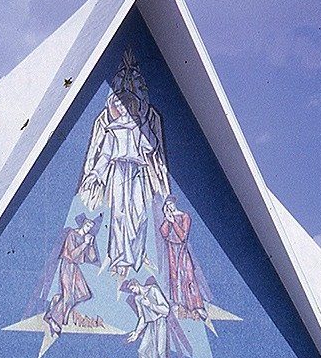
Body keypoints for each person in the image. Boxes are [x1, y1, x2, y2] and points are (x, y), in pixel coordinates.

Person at [78, 49, 169, 276]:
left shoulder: (140, 128)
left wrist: (145, 124)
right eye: (121, 107)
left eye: (128, 106)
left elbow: (150, 147)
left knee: (140, 214)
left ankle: (136, 256)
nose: (125, 110)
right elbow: (105, 156)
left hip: (137, 171)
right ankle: (120, 259)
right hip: (119, 171)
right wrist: (95, 174)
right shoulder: (113, 131)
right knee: (118, 214)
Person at [44, 215, 100, 336]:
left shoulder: (86, 238)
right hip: (67, 265)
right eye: (88, 225)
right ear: (83, 223)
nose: (89, 228)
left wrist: (90, 244)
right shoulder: (72, 234)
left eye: (91, 226)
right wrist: (84, 244)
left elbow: (92, 258)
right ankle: (53, 319)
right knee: (69, 296)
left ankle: (55, 303)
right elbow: (71, 255)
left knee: (84, 294)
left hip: (75, 267)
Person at [121, 277, 171, 358]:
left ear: (136, 284)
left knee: (160, 352)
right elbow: (142, 318)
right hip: (150, 325)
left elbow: (166, 310)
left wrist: (151, 305)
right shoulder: (138, 299)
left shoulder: (153, 290)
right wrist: (136, 333)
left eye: (132, 288)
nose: (132, 292)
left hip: (160, 322)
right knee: (142, 351)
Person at [159, 195, 207, 319]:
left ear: (175, 203)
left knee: (188, 276)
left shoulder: (185, 216)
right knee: (174, 277)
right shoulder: (169, 218)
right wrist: (167, 219)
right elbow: (164, 233)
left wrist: (173, 222)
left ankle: (197, 306)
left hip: (182, 250)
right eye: (167, 204)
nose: (169, 206)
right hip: (171, 249)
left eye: (171, 204)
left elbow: (183, 236)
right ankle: (178, 303)